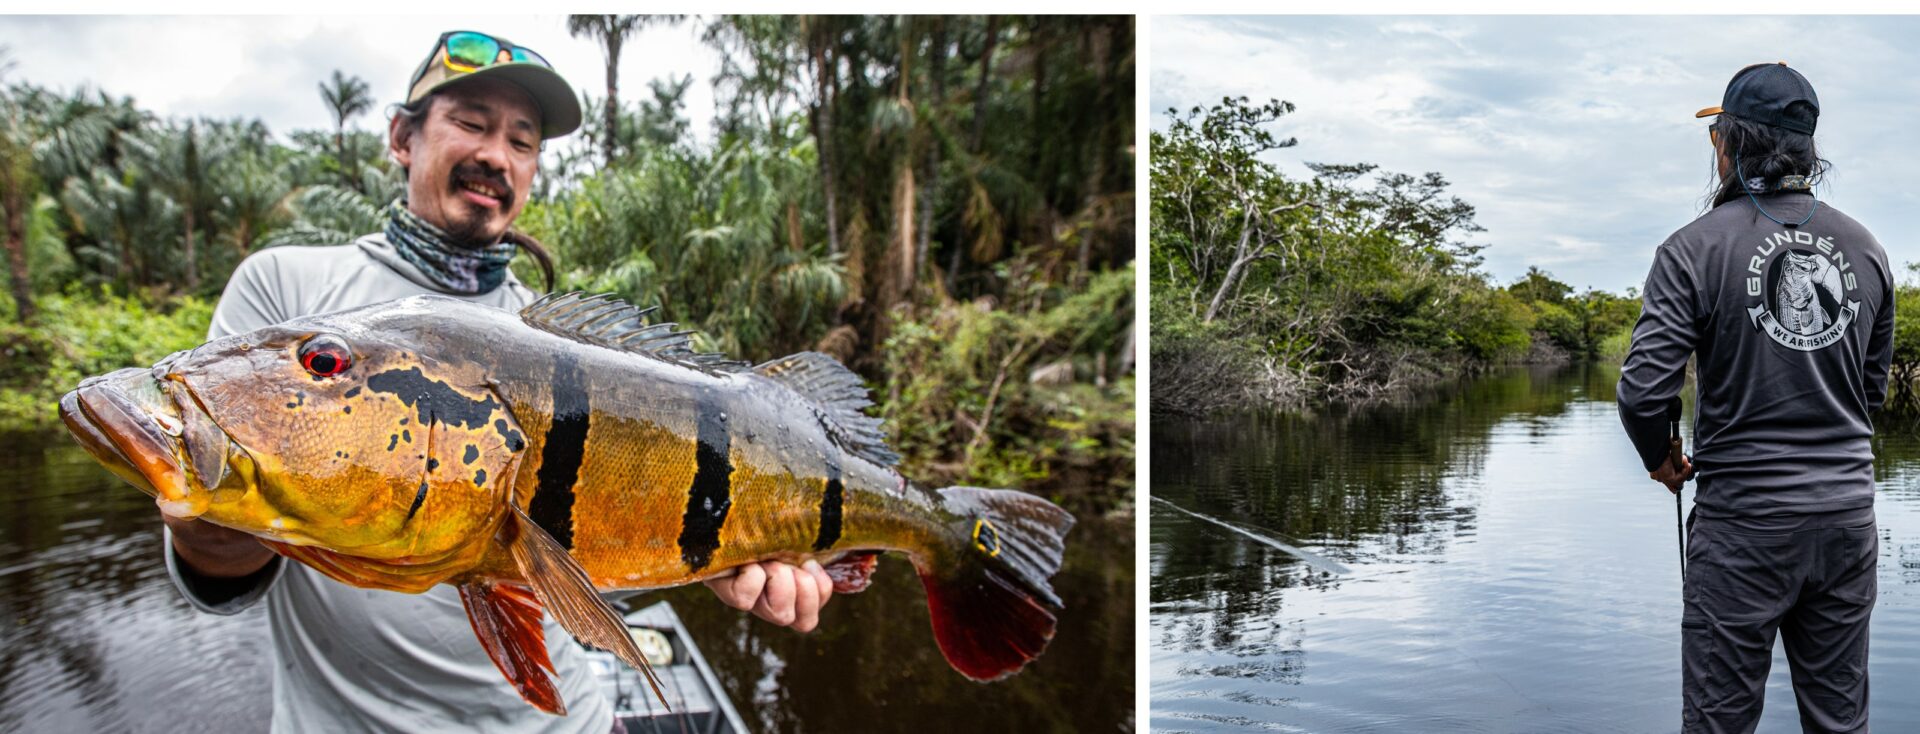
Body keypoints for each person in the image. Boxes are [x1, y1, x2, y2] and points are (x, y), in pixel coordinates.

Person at [161, 30, 836, 733]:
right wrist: (206, 495)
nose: (496, 155)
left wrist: (714, 551)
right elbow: (221, 569)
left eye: (522, 141)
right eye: (471, 122)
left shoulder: (559, 345)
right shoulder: (288, 292)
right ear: (402, 137)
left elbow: (609, 543)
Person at [1618, 62, 1893, 733]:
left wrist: (1661, 458)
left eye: (1716, 135)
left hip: (1743, 527)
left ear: (1732, 144)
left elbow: (1643, 392)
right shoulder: (1867, 248)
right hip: (1846, 521)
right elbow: (1870, 395)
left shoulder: (1692, 248)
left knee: (1720, 721)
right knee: (1840, 721)